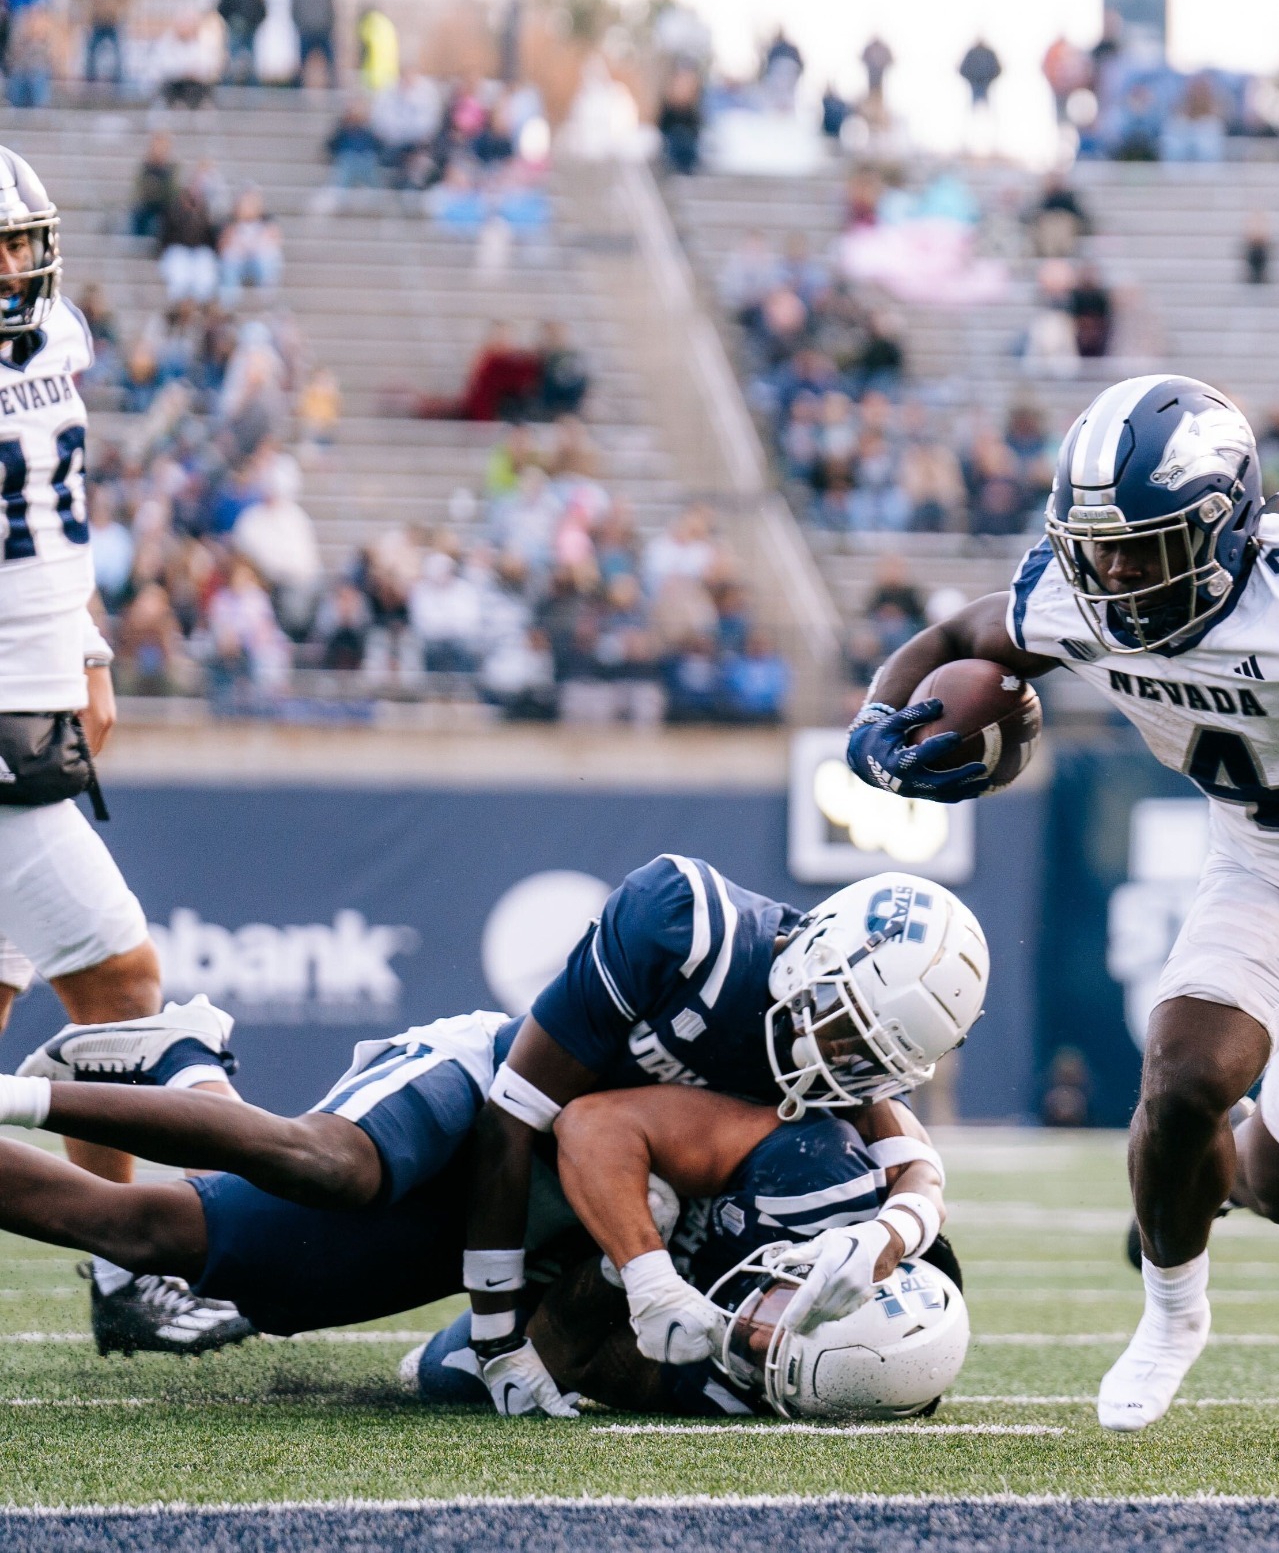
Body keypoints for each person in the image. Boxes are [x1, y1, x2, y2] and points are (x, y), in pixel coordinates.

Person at [850, 375, 1279, 1430]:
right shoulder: (1071, 594)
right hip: (1264, 869)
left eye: (1146, 542)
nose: (1118, 569)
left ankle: (1205, 1180)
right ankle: (1172, 1312)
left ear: (1227, 528)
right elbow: (963, 635)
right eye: (1100, 543)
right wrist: (872, 716)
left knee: (1276, 1187)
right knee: (1183, 1077)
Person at [0, 1015, 964, 1418]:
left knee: (257, 1275)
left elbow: (582, 1353)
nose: (752, 1336)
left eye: (768, 1364)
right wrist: (643, 1252)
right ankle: (27, 1097)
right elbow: (593, 1127)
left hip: (534, 1235)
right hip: (507, 1112)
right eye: (775, 1326)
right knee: (290, 1176)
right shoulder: (817, 1169)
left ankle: (185, 1061)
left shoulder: (750, 1384)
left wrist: (600, 1288)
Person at [0, 147, 250, 1352]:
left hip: (40, 704)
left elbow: (58, 529)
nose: (14, 264)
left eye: (21, 239)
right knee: (123, 987)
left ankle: (117, 1267)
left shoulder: (61, 339)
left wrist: (89, 645)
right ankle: (123, 1264)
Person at [460, 863, 986, 1415]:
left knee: (451, 1373)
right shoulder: (691, 928)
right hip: (522, 1121)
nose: (840, 1061)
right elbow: (527, 1118)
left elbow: (921, 1170)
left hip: (631, 1209)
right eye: (845, 1031)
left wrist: (888, 1237)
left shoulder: (860, 1068)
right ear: (822, 954)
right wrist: (504, 1332)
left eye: (870, 1060)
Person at [214, 0, 266, 85]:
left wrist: (253, 24)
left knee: (251, 63)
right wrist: (232, 21)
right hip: (234, 32)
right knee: (231, 62)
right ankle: (228, 89)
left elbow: (262, 12)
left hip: (250, 32)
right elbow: (221, 9)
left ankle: (253, 92)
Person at [290, 0, 337, 89]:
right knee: (303, 64)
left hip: (321, 31)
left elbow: (330, 10)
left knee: (330, 64)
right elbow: (294, 11)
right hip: (309, 31)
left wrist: (327, 26)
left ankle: (332, 89)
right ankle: (297, 90)